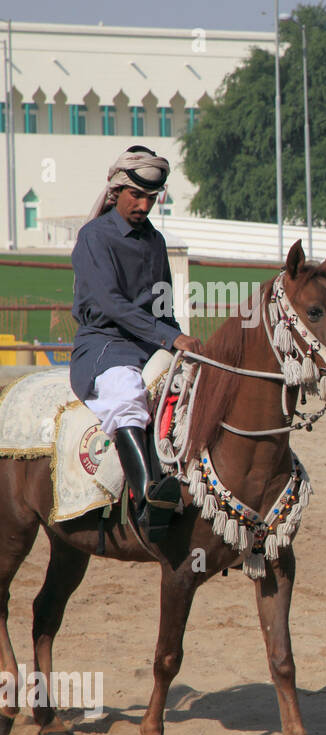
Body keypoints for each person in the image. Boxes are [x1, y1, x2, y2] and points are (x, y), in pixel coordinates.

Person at [70, 145, 202, 543]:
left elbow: (163, 308)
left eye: (152, 198)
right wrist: (169, 336)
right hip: (103, 348)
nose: (144, 205)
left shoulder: (156, 242)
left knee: (196, 386)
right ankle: (147, 497)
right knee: (128, 391)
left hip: (150, 346)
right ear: (117, 191)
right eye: (137, 196)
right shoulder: (94, 236)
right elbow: (111, 303)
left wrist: (184, 346)